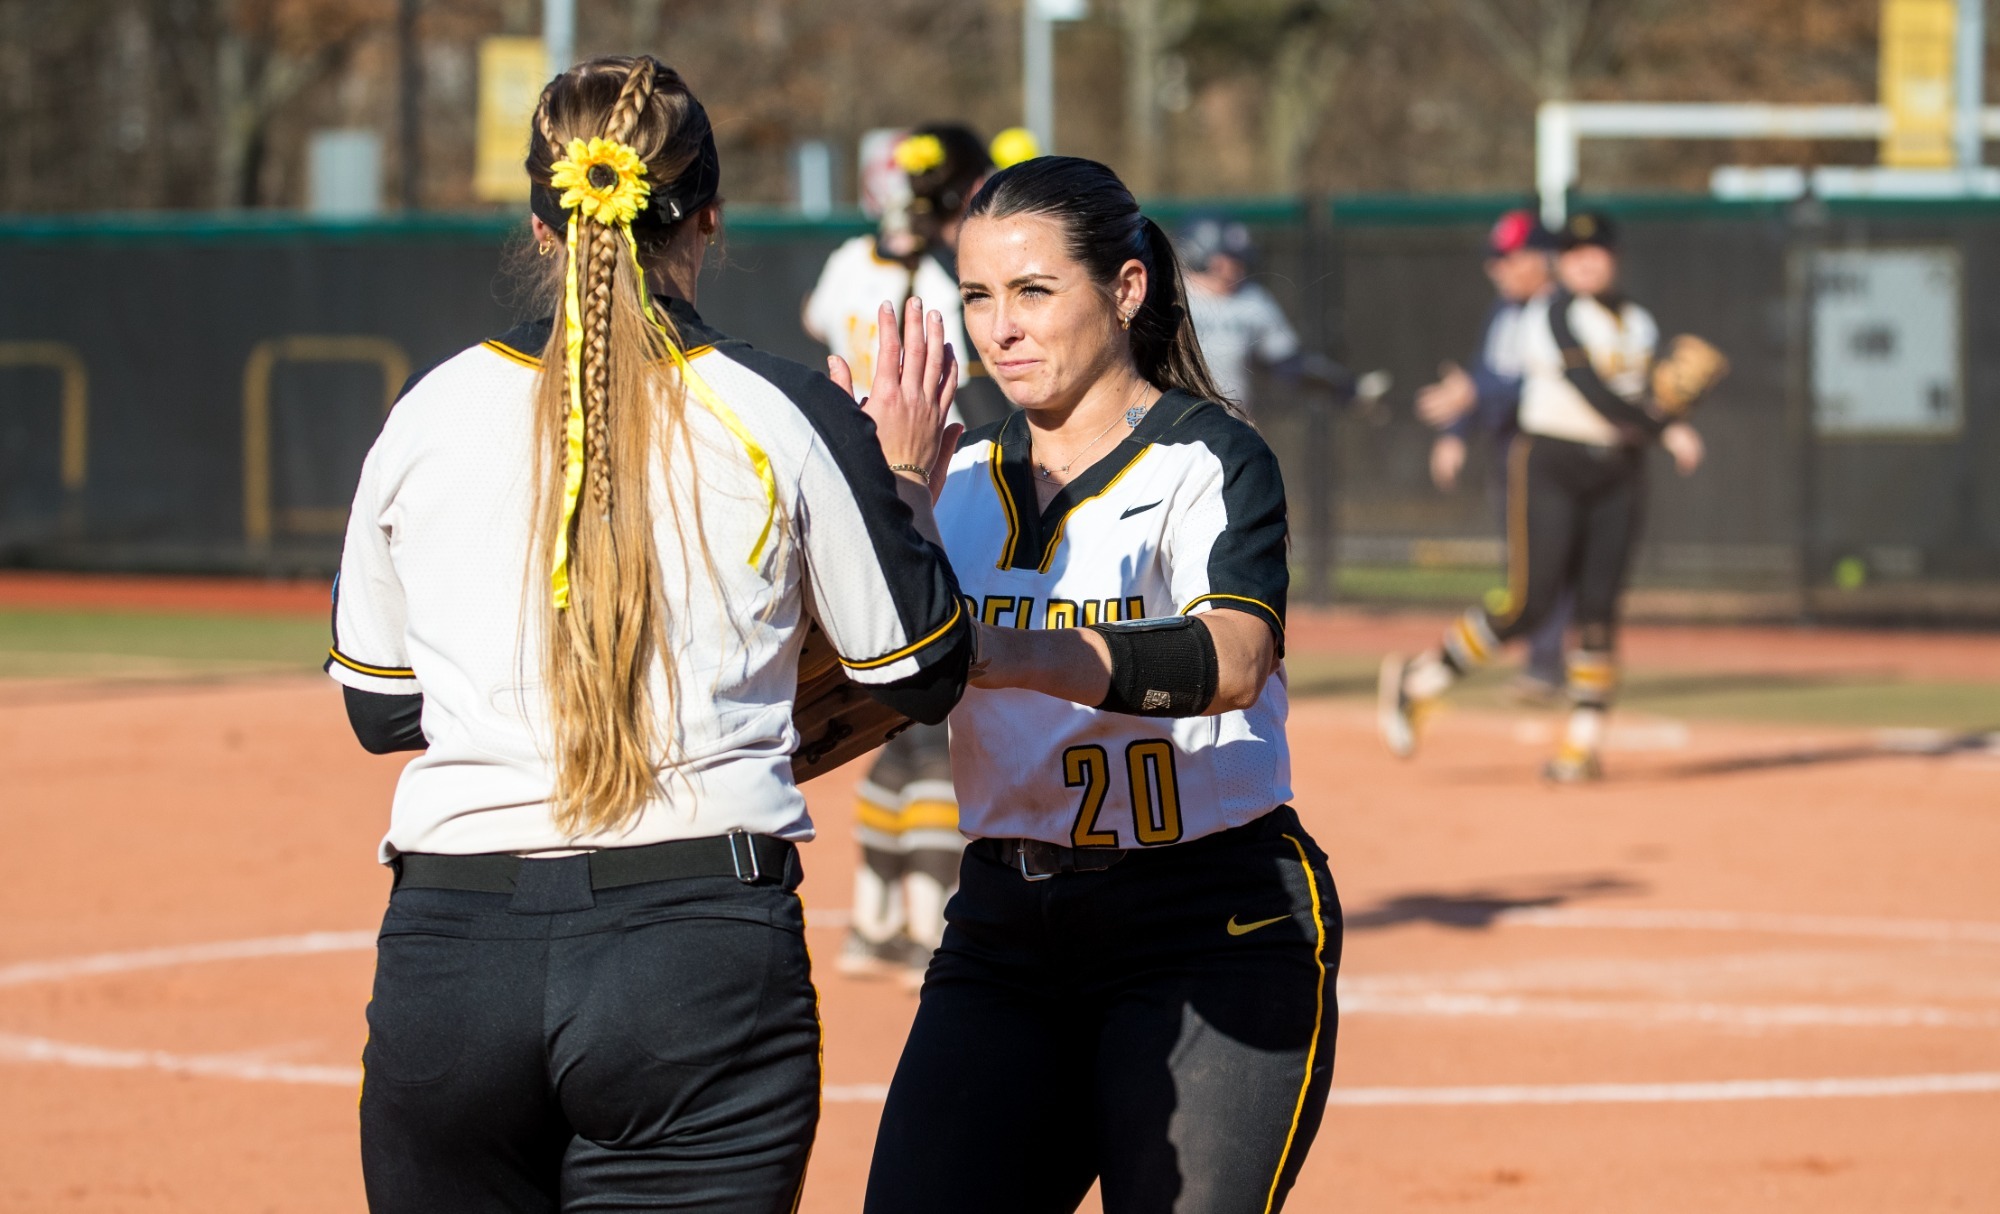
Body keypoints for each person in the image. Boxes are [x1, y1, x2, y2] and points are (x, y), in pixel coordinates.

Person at [326, 56, 971, 1213]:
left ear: (537, 221)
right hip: (694, 950)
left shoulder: (423, 414)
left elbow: (381, 708)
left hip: (452, 952)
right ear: (709, 221)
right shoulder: (783, 411)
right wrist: (907, 479)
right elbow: (918, 673)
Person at [862, 156, 1340, 1214]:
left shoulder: (1207, 455)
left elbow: (1231, 658)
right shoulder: (949, 470)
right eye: (977, 297)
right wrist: (888, 491)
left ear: (1124, 290)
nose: (1000, 329)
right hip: (1002, 926)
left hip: (1206, 919)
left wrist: (988, 649)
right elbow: (869, 679)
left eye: (1034, 292)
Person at [1379, 211, 1707, 782]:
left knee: (1600, 610)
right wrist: (1664, 428)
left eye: (1594, 251)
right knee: (1530, 602)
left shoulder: (1641, 323)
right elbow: (1588, 388)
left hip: (1620, 472)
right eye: (1572, 253)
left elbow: (1641, 396)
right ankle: (1420, 681)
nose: (1583, 260)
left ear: (1614, 256)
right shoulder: (1552, 313)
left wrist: (1670, 407)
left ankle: (1582, 743)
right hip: (1551, 461)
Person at [810, 123, 1019, 984]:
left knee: (878, 701)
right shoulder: (948, 275)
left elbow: (819, 323)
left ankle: (871, 913)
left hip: (847, 476)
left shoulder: (848, 265)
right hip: (929, 471)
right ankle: (933, 911)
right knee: (935, 698)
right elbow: (980, 367)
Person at [1414, 208, 1570, 700]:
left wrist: (1475, 395)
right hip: (1511, 454)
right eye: (1495, 259)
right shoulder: (1503, 311)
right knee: (1526, 567)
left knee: (1555, 565)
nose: (1497, 269)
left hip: (1553, 450)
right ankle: (1544, 662)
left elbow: (1542, 383)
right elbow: (1481, 376)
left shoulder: (1565, 311)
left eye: (1508, 258)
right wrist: (1456, 433)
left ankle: (1549, 665)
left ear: (1541, 258)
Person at [1178, 214, 1378, 417]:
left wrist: (1344, 387)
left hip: (1224, 427)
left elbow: (1288, 364)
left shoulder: (1252, 300)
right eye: (1232, 259)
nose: (1239, 269)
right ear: (1201, 254)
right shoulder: (1168, 295)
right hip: (1165, 428)